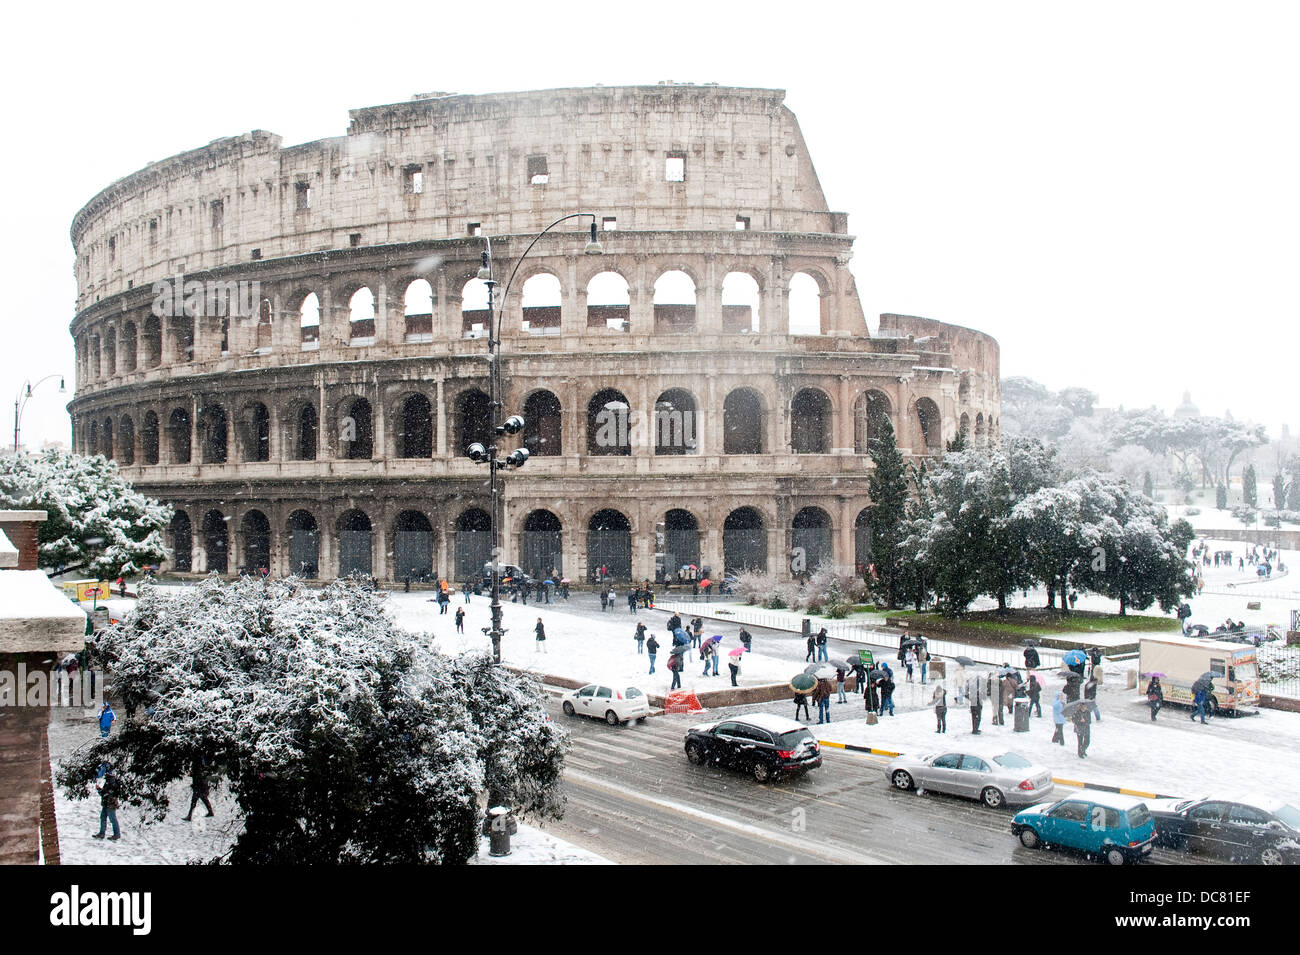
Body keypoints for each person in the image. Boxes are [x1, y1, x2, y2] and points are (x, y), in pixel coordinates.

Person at [93, 769, 122, 841]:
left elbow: (107, 793)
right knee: (103, 818)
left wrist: (100, 791)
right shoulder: (108, 783)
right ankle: (102, 833)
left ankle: (116, 834)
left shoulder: (112, 784)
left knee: (112, 819)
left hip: (110, 804)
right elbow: (104, 793)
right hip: (106, 803)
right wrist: (100, 790)